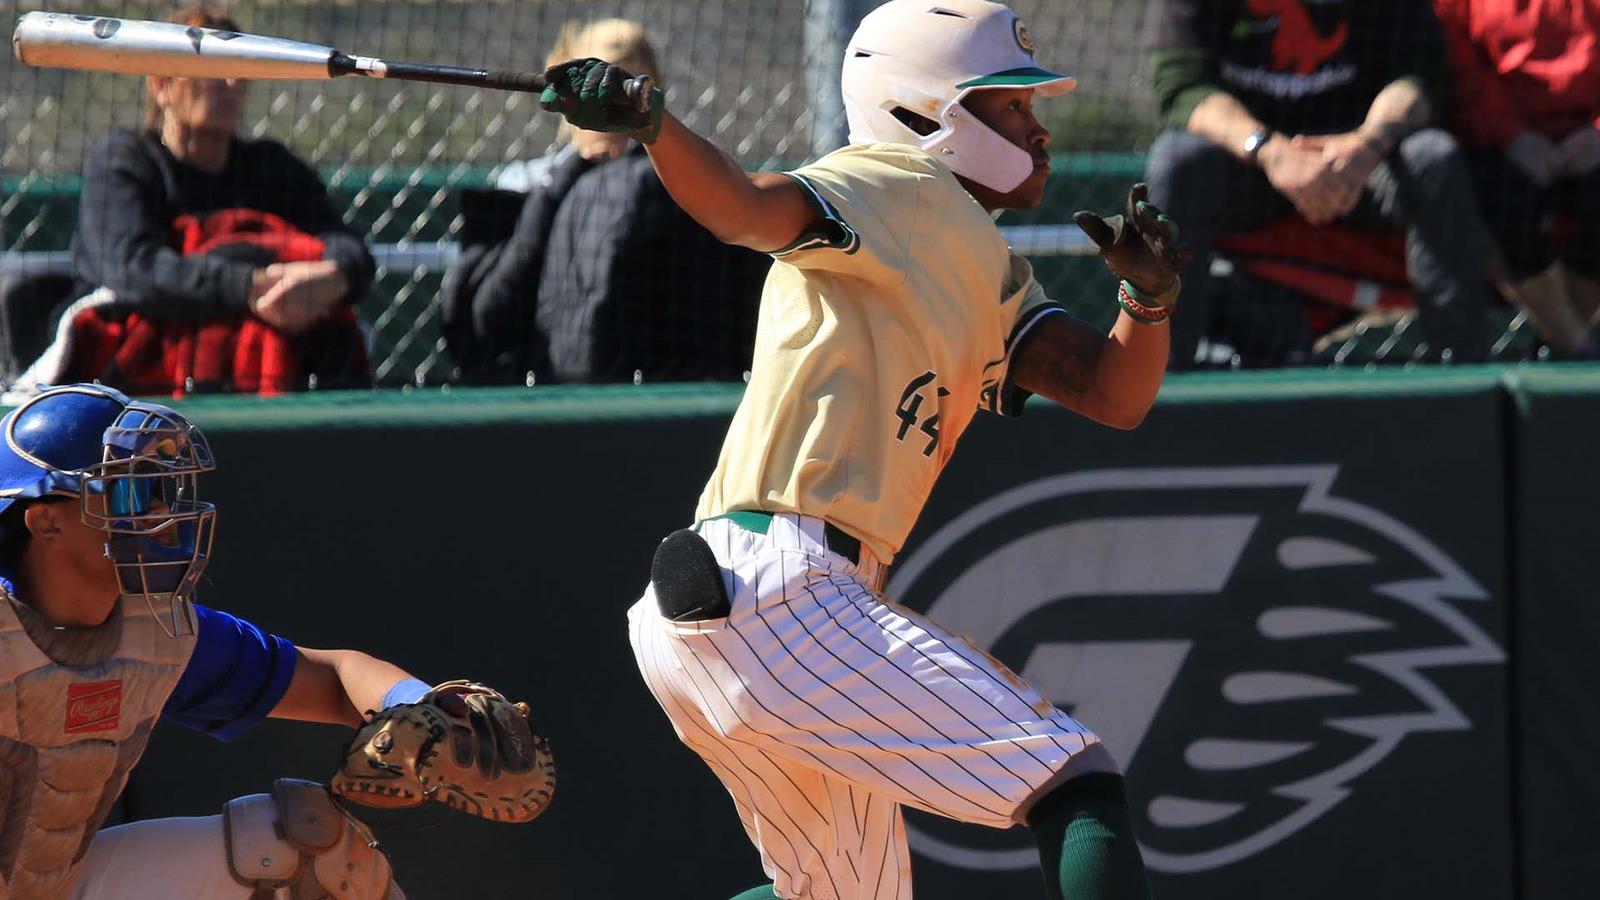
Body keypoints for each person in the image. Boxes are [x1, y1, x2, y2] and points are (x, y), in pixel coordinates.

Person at [540, 1, 1186, 897]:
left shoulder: (983, 261)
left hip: (738, 601)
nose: (1038, 129)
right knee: (1075, 783)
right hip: (778, 587)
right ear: (929, 112)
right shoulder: (895, 181)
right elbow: (743, 208)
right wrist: (656, 126)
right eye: (1009, 106)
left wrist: (1146, 302)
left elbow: (1113, 393)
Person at [0, 383, 547, 899]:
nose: (161, 513)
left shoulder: (154, 632)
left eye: (157, 486)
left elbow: (334, 677)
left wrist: (422, 708)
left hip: (58, 884)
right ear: (46, 524)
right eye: (129, 492)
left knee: (308, 851)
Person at [32, 7, 375, 393]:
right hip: (137, 387)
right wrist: (249, 286)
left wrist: (329, 279)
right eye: (212, 68)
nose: (231, 82)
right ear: (161, 84)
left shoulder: (272, 167)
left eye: (240, 69)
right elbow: (132, 269)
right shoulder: (123, 162)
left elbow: (351, 250)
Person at [1144, 0, 1491, 367]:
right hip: (1253, 164)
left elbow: (1421, 79)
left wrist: (1366, 144)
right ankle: (1159, 374)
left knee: (1433, 157)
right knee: (1178, 160)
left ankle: (1461, 373)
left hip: (1358, 166)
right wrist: (1271, 151)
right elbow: (1183, 88)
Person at [441, 19, 769, 384]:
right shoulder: (528, 182)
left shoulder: (674, 185)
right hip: (542, 383)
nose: (610, 102)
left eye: (627, 88)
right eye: (599, 84)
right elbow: (490, 316)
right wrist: (557, 192)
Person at [1433, 0, 1600, 358]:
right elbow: (1462, 69)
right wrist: (1511, 136)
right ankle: (1572, 343)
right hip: (1502, 147)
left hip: (1590, 142)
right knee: (1498, 197)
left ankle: (1562, 342)